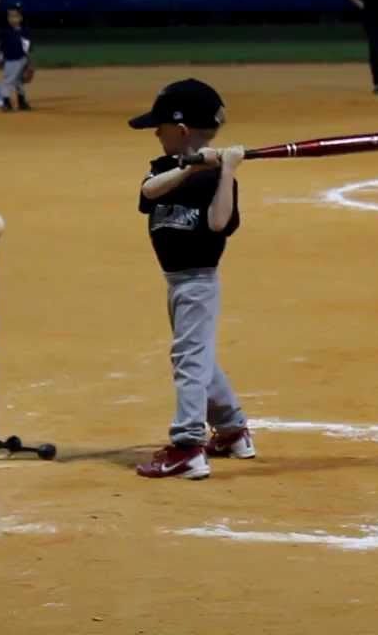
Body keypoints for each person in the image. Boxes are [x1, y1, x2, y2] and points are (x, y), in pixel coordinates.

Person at [130, 79, 256, 480]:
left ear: (181, 130)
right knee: (196, 355)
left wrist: (226, 170)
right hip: (176, 282)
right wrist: (189, 165)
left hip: (198, 282)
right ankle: (234, 431)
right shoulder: (166, 168)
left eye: (161, 125)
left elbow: (219, 224)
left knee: (189, 359)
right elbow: (147, 194)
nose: (155, 131)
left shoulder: (218, 178)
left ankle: (187, 447)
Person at [0, 3, 32, 113]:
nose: (12, 18)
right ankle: (6, 102)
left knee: (19, 82)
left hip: (22, 60)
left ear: (21, 17)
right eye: (10, 16)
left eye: (15, 16)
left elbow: (27, 48)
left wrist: (29, 63)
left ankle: (22, 102)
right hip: (11, 61)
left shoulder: (25, 31)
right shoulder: (5, 32)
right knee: (7, 81)